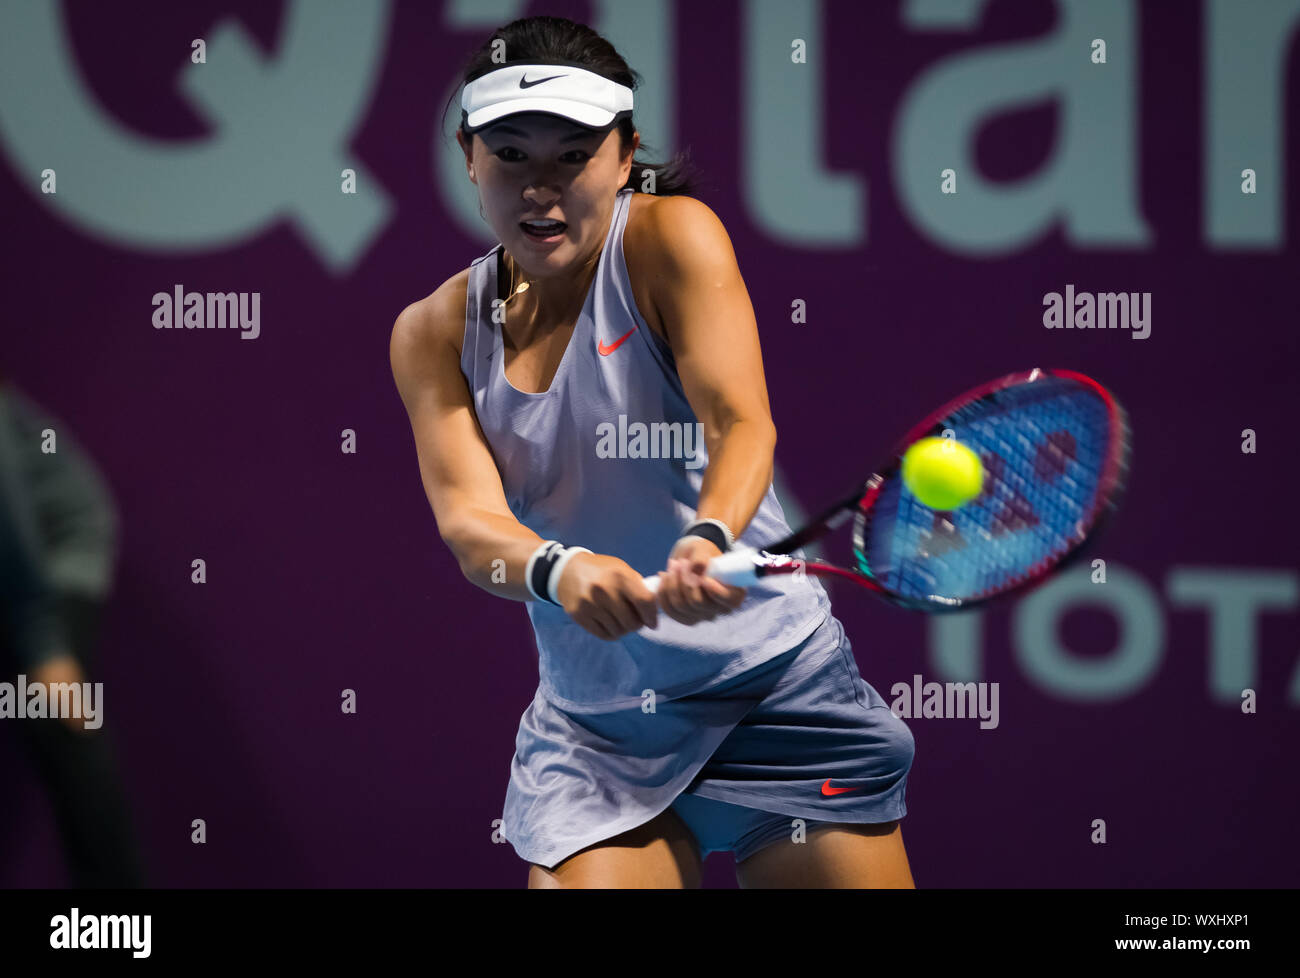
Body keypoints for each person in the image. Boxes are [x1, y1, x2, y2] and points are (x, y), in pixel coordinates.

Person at [390, 16, 915, 888]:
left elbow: (740, 422)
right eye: (511, 154)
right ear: (469, 157)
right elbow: (470, 523)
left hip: (772, 690)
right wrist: (557, 569)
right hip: (597, 732)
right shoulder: (433, 332)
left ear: (626, 154)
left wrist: (709, 537)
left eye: (573, 154)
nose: (540, 188)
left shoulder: (671, 239)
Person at [0, 377, 145, 887]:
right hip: (21, 573)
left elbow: (11, 530)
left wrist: (47, 645)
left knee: (56, 715)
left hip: (54, 560)